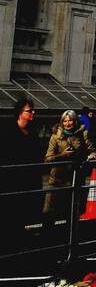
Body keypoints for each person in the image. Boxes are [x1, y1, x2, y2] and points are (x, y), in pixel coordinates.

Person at [0, 95, 43, 248]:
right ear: (20, 112)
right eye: (29, 111)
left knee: (25, 208)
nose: (33, 113)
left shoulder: (31, 131)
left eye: (33, 111)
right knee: (12, 208)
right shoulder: (8, 131)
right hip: (13, 178)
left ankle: (20, 234)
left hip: (29, 176)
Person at [43, 110, 96, 221]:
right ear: (62, 122)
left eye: (70, 120)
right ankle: (47, 236)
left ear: (75, 121)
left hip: (75, 179)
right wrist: (62, 155)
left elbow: (93, 151)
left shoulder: (83, 134)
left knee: (72, 214)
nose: (67, 123)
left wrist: (92, 156)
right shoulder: (55, 137)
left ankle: (70, 237)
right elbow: (47, 159)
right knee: (48, 214)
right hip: (56, 181)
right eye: (65, 121)